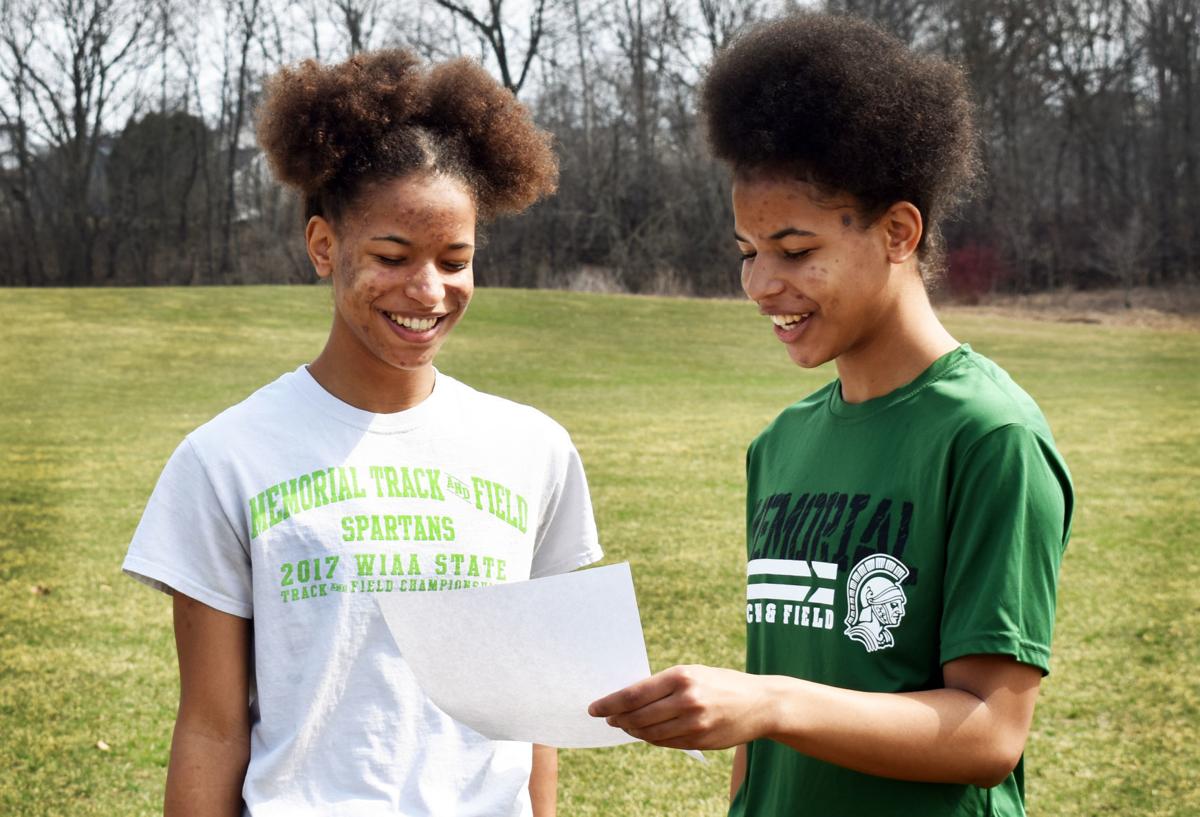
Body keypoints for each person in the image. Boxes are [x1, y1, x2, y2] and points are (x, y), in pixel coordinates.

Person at [589, 12, 1073, 816]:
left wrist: (771, 701)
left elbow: (989, 733)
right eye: (747, 252)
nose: (760, 284)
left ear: (898, 231)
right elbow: (769, 713)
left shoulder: (990, 436)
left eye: (795, 249)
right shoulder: (780, 444)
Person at [123, 49, 601, 817]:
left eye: (455, 260)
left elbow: (533, 713)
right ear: (324, 246)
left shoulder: (533, 449)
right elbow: (211, 728)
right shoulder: (226, 459)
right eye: (392, 256)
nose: (428, 289)